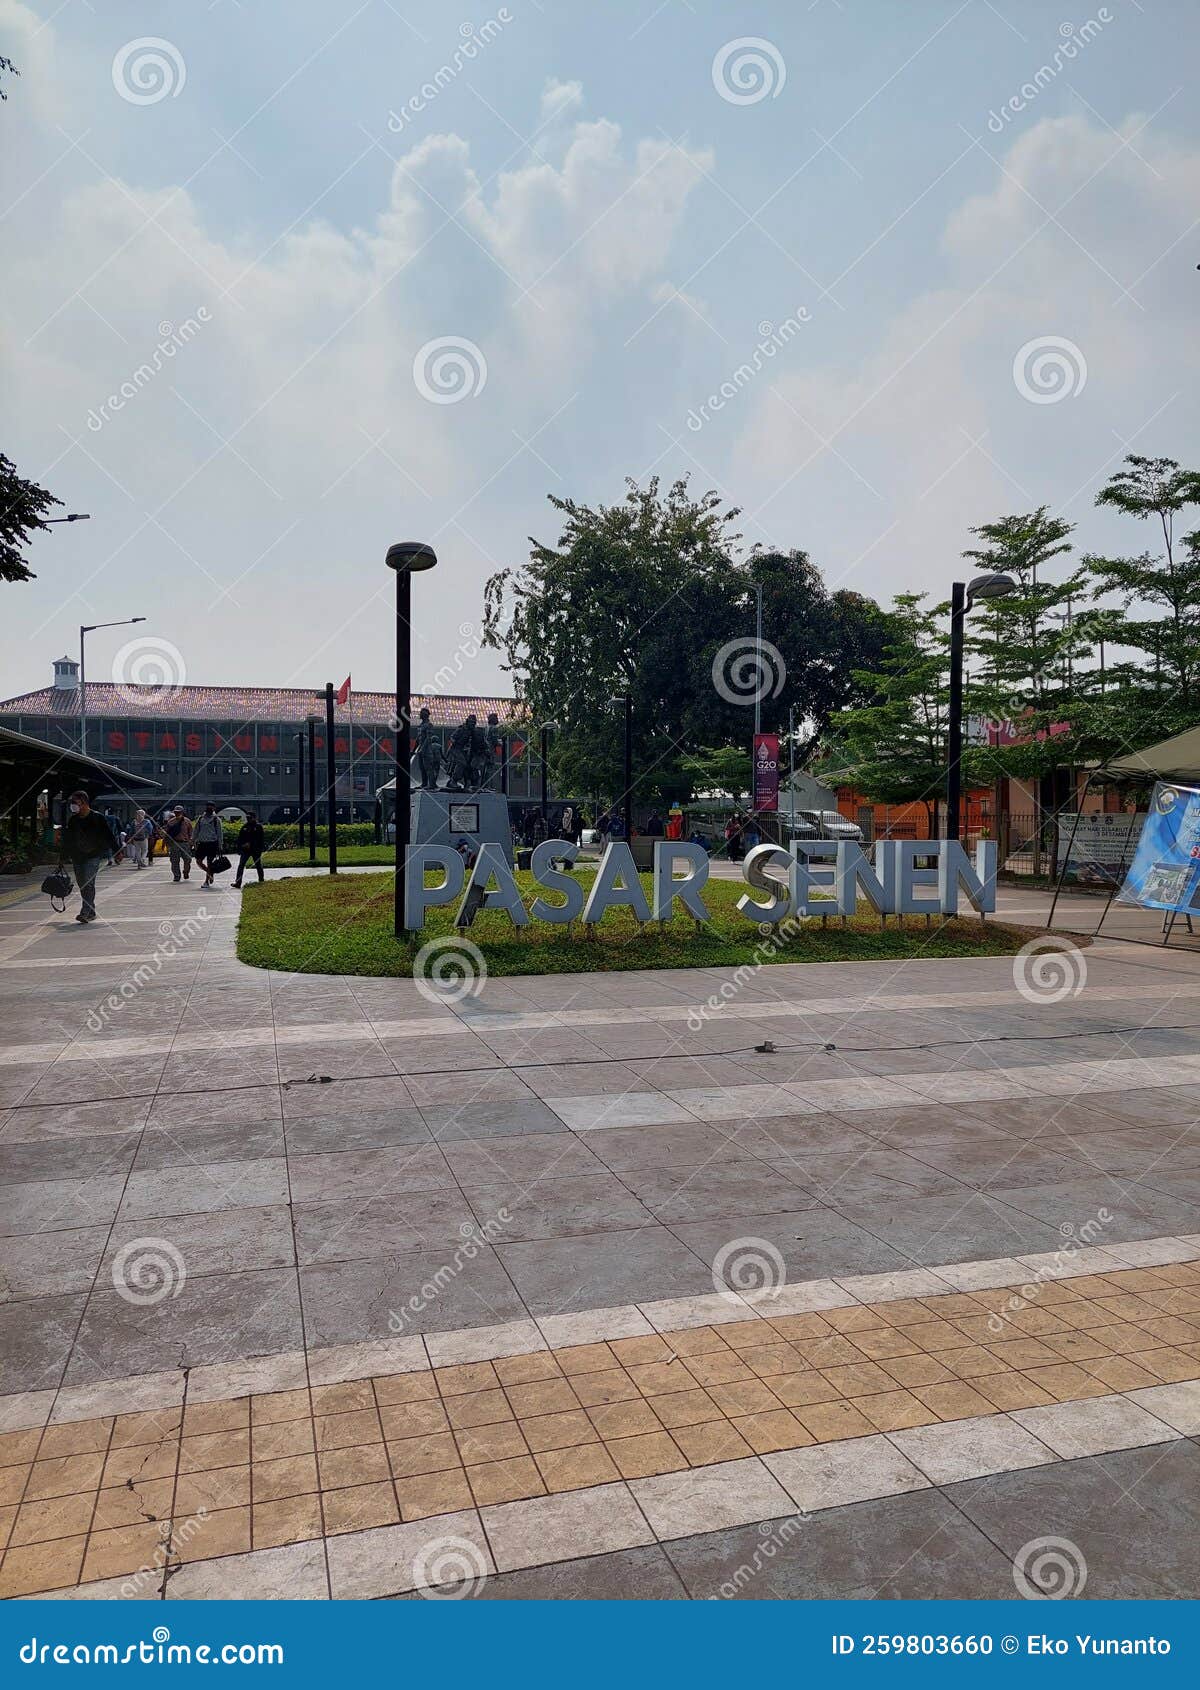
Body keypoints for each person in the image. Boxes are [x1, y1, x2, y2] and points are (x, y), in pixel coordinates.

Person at [60, 790, 118, 924]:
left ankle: (85, 912)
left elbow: (109, 835)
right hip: (77, 857)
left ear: (84, 802)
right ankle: (91, 911)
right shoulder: (73, 820)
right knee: (82, 885)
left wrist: (117, 851)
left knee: (88, 883)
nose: (72, 805)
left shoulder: (98, 818)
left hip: (93, 856)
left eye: (75, 802)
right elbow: (68, 839)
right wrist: (62, 857)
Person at [192, 804, 224, 887]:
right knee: (198, 861)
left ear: (214, 808)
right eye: (208, 806)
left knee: (209, 863)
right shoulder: (200, 818)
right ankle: (210, 872)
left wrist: (220, 845)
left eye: (211, 806)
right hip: (202, 843)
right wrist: (192, 840)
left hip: (212, 843)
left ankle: (206, 881)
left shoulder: (216, 819)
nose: (209, 808)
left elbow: (219, 833)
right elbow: (196, 830)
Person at [232, 809, 266, 888]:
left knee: (258, 865)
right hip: (245, 850)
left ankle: (261, 880)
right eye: (247, 818)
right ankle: (238, 883)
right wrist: (241, 847)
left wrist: (255, 846)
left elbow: (260, 839)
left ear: (254, 818)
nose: (248, 819)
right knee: (241, 865)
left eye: (250, 818)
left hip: (255, 850)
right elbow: (240, 838)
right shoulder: (245, 827)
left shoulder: (258, 827)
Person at [164, 807, 193, 881]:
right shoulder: (171, 822)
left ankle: (186, 872)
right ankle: (177, 876)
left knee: (188, 860)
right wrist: (167, 844)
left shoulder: (187, 821)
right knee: (174, 861)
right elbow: (167, 834)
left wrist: (191, 841)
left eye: (179, 812)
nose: (177, 813)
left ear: (182, 812)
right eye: (176, 812)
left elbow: (191, 832)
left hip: (185, 843)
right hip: (174, 843)